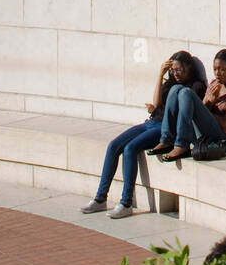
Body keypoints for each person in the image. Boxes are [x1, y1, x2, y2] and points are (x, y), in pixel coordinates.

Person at [82, 51, 204, 218]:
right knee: (113, 146)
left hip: (164, 128)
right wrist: (160, 75)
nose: (176, 74)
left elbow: (188, 115)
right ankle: (100, 198)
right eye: (173, 70)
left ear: (189, 67)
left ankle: (126, 203)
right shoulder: (170, 83)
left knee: (130, 148)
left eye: (180, 70)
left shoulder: (194, 87)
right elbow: (157, 103)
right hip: (151, 122)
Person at [148, 49, 226, 162]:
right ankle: (166, 140)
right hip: (202, 134)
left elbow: (225, 124)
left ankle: (181, 145)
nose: (217, 73)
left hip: (219, 138)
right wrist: (210, 103)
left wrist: (212, 103)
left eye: (222, 69)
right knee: (176, 88)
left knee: (186, 92)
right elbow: (200, 112)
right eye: (215, 69)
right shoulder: (214, 84)